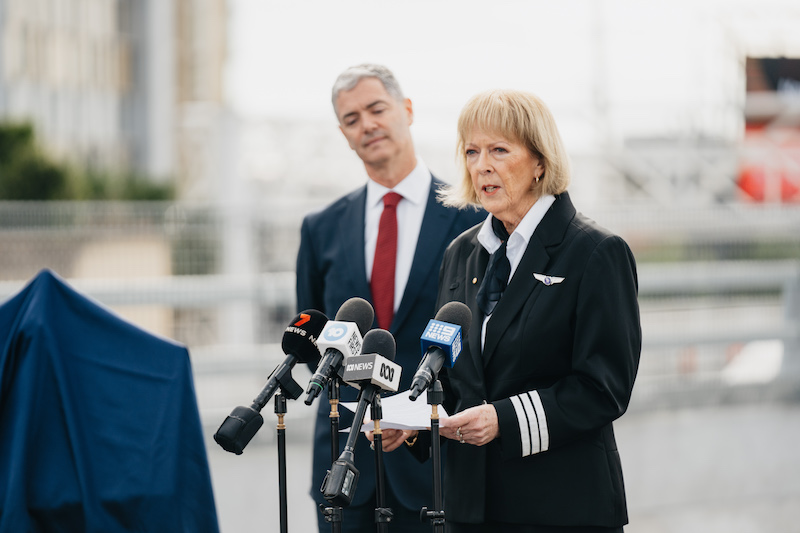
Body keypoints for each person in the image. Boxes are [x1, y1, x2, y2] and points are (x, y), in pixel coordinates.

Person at [391, 89, 642, 532]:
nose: (481, 164)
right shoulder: (460, 253)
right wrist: (412, 424)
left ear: (540, 162)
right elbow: (451, 374)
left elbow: (604, 388)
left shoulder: (596, 252)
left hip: (561, 508)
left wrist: (502, 420)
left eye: (499, 150)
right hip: (468, 510)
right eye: (471, 151)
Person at [295, 64, 485, 533]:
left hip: (434, 463)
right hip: (343, 467)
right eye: (352, 118)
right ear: (344, 133)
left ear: (407, 110)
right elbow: (313, 337)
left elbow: (483, 339)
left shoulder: (472, 221)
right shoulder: (320, 229)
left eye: (377, 109)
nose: (368, 124)